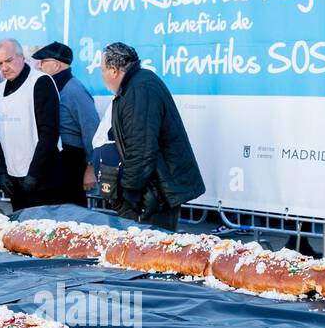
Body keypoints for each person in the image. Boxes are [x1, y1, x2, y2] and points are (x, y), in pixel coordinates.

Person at [100, 42, 205, 231]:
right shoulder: (137, 84)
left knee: (150, 251)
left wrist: (130, 193)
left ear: (114, 70)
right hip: (153, 188)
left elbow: (141, 147)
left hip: (154, 192)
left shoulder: (140, 89)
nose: (102, 76)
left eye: (102, 70)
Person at [0, 38, 61, 212]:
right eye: (0, 63)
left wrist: (34, 175)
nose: (4, 67)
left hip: (42, 179)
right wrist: (2, 171)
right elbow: (1, 134)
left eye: (9, 61)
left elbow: (49, 134)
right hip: (14, 179)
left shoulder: (40, 82)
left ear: (22, 57)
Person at [32, 41, 99, 206]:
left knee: (73, 212)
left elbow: (91, 129)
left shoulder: (74, 90)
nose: (39, 67)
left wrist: (91, 168)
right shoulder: (53, 87)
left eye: (43, 62)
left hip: (72, 160)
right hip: (56, 159)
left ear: (55, 65)